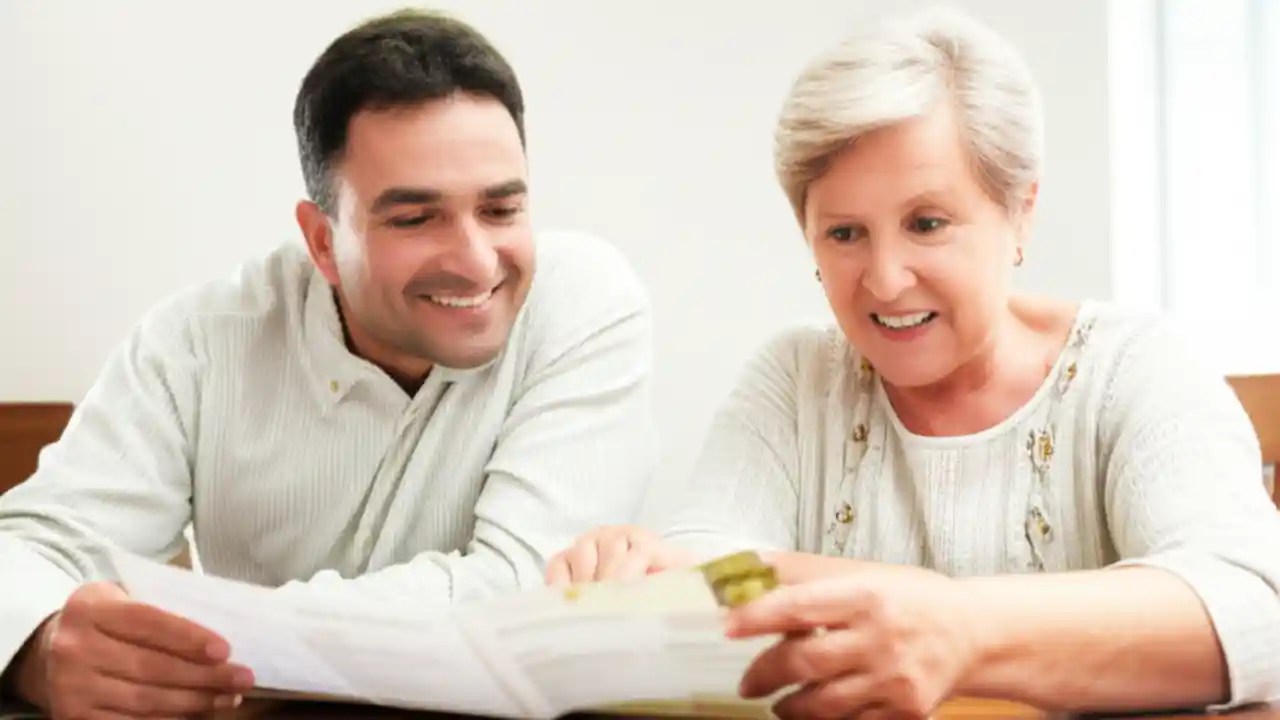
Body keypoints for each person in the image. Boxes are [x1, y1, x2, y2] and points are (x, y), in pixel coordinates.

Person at [547, 8, 1280, 718]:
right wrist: (641, 578)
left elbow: (1257, 610)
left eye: (927, 223)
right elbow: (705, 581)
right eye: (844, 233)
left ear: (1020, 212)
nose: (886, 279)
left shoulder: (1131, 367)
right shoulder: (797, 378)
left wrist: (958, 629)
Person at [0, 9, 657, 718]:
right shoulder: (197, 343)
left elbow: (526, 598)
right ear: (321, 242)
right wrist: (39, 647)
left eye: (500, 210)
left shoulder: (581, 301)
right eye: (415, 218)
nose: (475, 263)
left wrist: (217, 635)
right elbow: (32, 547)